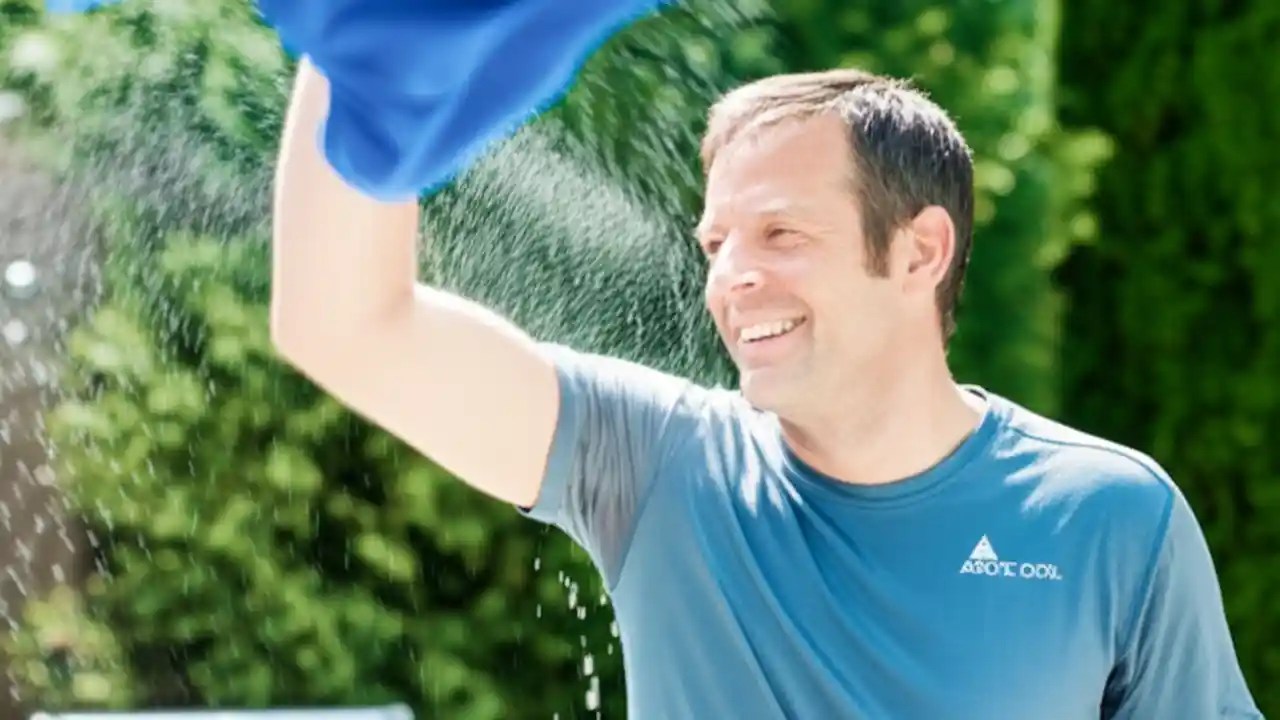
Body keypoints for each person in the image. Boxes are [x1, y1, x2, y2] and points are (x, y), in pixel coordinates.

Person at [270, 56, 1262, 719]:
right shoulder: (654, 462)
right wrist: (361, 60)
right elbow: (349, 325)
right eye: (714, 242)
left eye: (780, 233)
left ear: (919, 250)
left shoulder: (1109, 516)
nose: (729, 275)